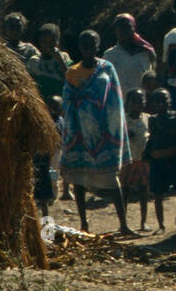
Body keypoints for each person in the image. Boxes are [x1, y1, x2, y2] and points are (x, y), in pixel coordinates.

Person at [60, 29, 133, 235]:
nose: (88, 49)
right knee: (80, 180)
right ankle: (84, 223)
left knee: (112, 180)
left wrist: (112, 127)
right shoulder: (72, 72)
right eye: (84, 45)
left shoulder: (107, 68)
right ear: (79, 47)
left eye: (92, 45)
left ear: (97, 46)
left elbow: (115, 99)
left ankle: (124, 224)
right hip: (81, 134)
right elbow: (67, 101)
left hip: (105, 133)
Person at [29, 24, 72, 196]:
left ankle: (66, 188)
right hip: (43, 109)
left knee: (65, 149)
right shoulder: (34, 62)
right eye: (44, 41)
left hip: (62, 108)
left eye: (51, 41)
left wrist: (59, 60)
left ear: (57, 42)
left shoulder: (63, 57)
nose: (47, 45)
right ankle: (49, 185)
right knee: (48, 150)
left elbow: (70, 77)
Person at [145, 87, 176, 233]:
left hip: (174, 161)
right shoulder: (153, 120)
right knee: (158, 194)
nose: (160, 104)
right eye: (156, 101)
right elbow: (153, 138)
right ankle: (161, 225)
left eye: (163, 100)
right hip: (158, 162)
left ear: (170, 101)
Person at [104, 13, 156, 99]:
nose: (122, 30)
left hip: (141, 103)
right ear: (115, 31)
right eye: (119, 27)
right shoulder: (110, 55)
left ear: (133, 29)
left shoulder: (146, 53)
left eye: (126, 27)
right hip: (119, 103)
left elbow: (151, 79)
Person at [121, 89, 151, 231]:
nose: (137, 104)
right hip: (127, 160)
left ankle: (143, 222)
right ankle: (123, 222)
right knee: (125, 191)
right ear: (128, 103)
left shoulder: (148, 118)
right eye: (134, 101)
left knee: (143, 192)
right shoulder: (123, 120)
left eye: (140, 100)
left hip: (143, 160)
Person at [33, 95, 62, 218]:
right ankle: (48, 197)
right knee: (47, 176)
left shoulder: (59, 121)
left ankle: (53, 194)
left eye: (55, 106)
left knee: (54, 175)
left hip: (55, 153)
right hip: (45, 155)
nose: (52, 108)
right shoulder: (44, 121)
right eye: (50, 105)